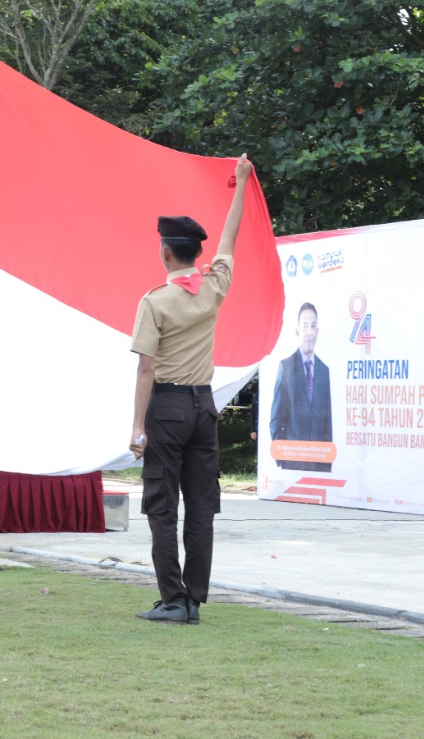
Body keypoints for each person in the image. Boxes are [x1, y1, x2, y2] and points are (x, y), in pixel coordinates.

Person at [129, 153, 252, 625]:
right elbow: (231, 236)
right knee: (202, 506)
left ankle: (173, 599)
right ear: (196, 253)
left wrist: (137, 426)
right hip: (205, 405)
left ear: (165, 252)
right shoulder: (214, 286)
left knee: (162, 505)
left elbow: (146, 370)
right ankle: (194, 599)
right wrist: (240, 182)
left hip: (168, 407)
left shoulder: (155, 302)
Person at [268, 302, 333, 454]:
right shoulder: (286, 367)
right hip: (293, 459)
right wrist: (282, 457)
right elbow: (276, 420)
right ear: (297, 331)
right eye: (305, 326)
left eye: (312, 326)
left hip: (319, 461)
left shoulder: (324, 371)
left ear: (317, 331)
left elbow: (327, 424)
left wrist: (327, 464)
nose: (309, 332)